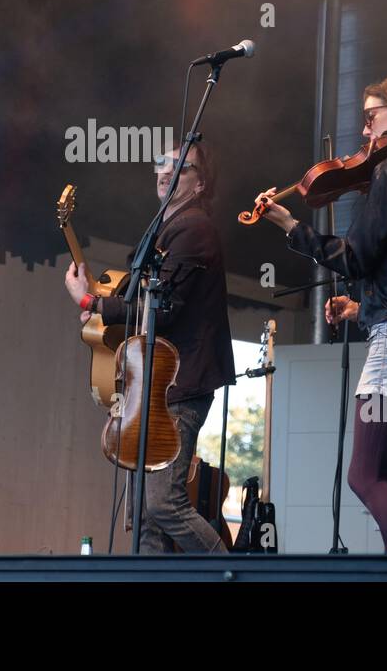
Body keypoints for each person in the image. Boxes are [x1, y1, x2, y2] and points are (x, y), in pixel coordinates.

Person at [256, 76, 387, 552]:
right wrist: (363, 307)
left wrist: (291, 226)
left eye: (372, 116)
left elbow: (355, 256)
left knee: (365, 476)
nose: (364, 130)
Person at [64, 143, 235, 553]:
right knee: (143, 515)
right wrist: (106, 313)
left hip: (180, 382)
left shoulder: (193, 228)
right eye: (163, 164)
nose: (166, 172)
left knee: (163, 504)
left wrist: (91, 302)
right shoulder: (166, 228)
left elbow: (165, 306)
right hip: (157, 382)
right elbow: (147, 308)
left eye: (181, 167)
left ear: (200, 183)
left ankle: (235, 575)